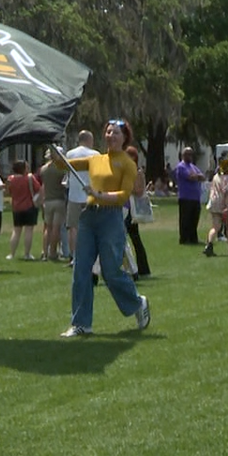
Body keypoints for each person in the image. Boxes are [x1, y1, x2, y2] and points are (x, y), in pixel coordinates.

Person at [56, 118, 150, 337]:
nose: (110, 136)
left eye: (115, 133)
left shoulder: (127, 163)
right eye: (108, 132)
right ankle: (81, 324)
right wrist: (55, 156)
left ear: (124, 137)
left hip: (111, 218)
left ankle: (137, 303)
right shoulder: (95, 159)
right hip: (89, 217)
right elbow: (65, 165)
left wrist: (99, 194)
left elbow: (123, 195)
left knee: (110, 271)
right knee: (81, 270)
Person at [64, 131, 99, 264]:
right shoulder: (95, 155)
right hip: (90, 195)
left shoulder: (70, 154)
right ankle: (89, 255)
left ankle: (74, 256)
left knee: (73, 227)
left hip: (73, 195)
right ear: (89, 140)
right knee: (91, 227)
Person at [5, 159, 42, 261]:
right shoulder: (29, 178)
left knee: (16, 231)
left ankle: (12, 254)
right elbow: (39, 189)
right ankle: (27, 254)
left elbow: (7, 192)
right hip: (29, 206)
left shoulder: (11, 179)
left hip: (16, 207)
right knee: (28, 231)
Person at [124, 146, 151, 278]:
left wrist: (126, 188)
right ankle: (134, 268)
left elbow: (139, 190)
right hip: (125, 207)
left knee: (133, 238)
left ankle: (140, 268)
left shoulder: (137, 172)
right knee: (131, 239)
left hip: (131, 209)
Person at [203, 155, 228, 257]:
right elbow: (227, 193)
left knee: (215, 226)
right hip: (224, 202)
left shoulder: (216, 176)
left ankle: (209, 245)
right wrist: (226, 206)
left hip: (214, 202)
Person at [39, 150, 68, 261]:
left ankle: (44, 252)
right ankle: (53, 252)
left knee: (47, 227)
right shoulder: (61, 169)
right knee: (56, 228)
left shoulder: (43, 169)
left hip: (48, 200)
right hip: (59, 199)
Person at [174, 146, 205, 245]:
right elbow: (191, 177)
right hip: (185, 197)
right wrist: (196, 176)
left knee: (194, 219)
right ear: (183, 155)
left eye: (191, 154)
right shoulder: (181, 167)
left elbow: (202, 177)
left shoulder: (193, 167)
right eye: (188, 154)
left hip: (195, 198)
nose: (190, 156)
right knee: (185, 219)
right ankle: (184, 239)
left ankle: (193, 238)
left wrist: (196, 176)